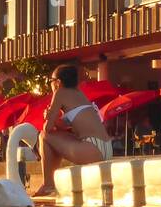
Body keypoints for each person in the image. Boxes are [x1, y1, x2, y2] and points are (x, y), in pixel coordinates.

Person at [32, 64, 114, 197]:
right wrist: (55, 120)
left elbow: (47, 128)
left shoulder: (60, 93)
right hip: (105, 147)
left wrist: (48, 116)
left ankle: (48, 185)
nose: (50, 85)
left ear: (58, 82)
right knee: (51, 136)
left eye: (51, 81)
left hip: (92, 148)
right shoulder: (79, 94)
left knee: (43, 136)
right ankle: (50, 183)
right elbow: (64, 127)